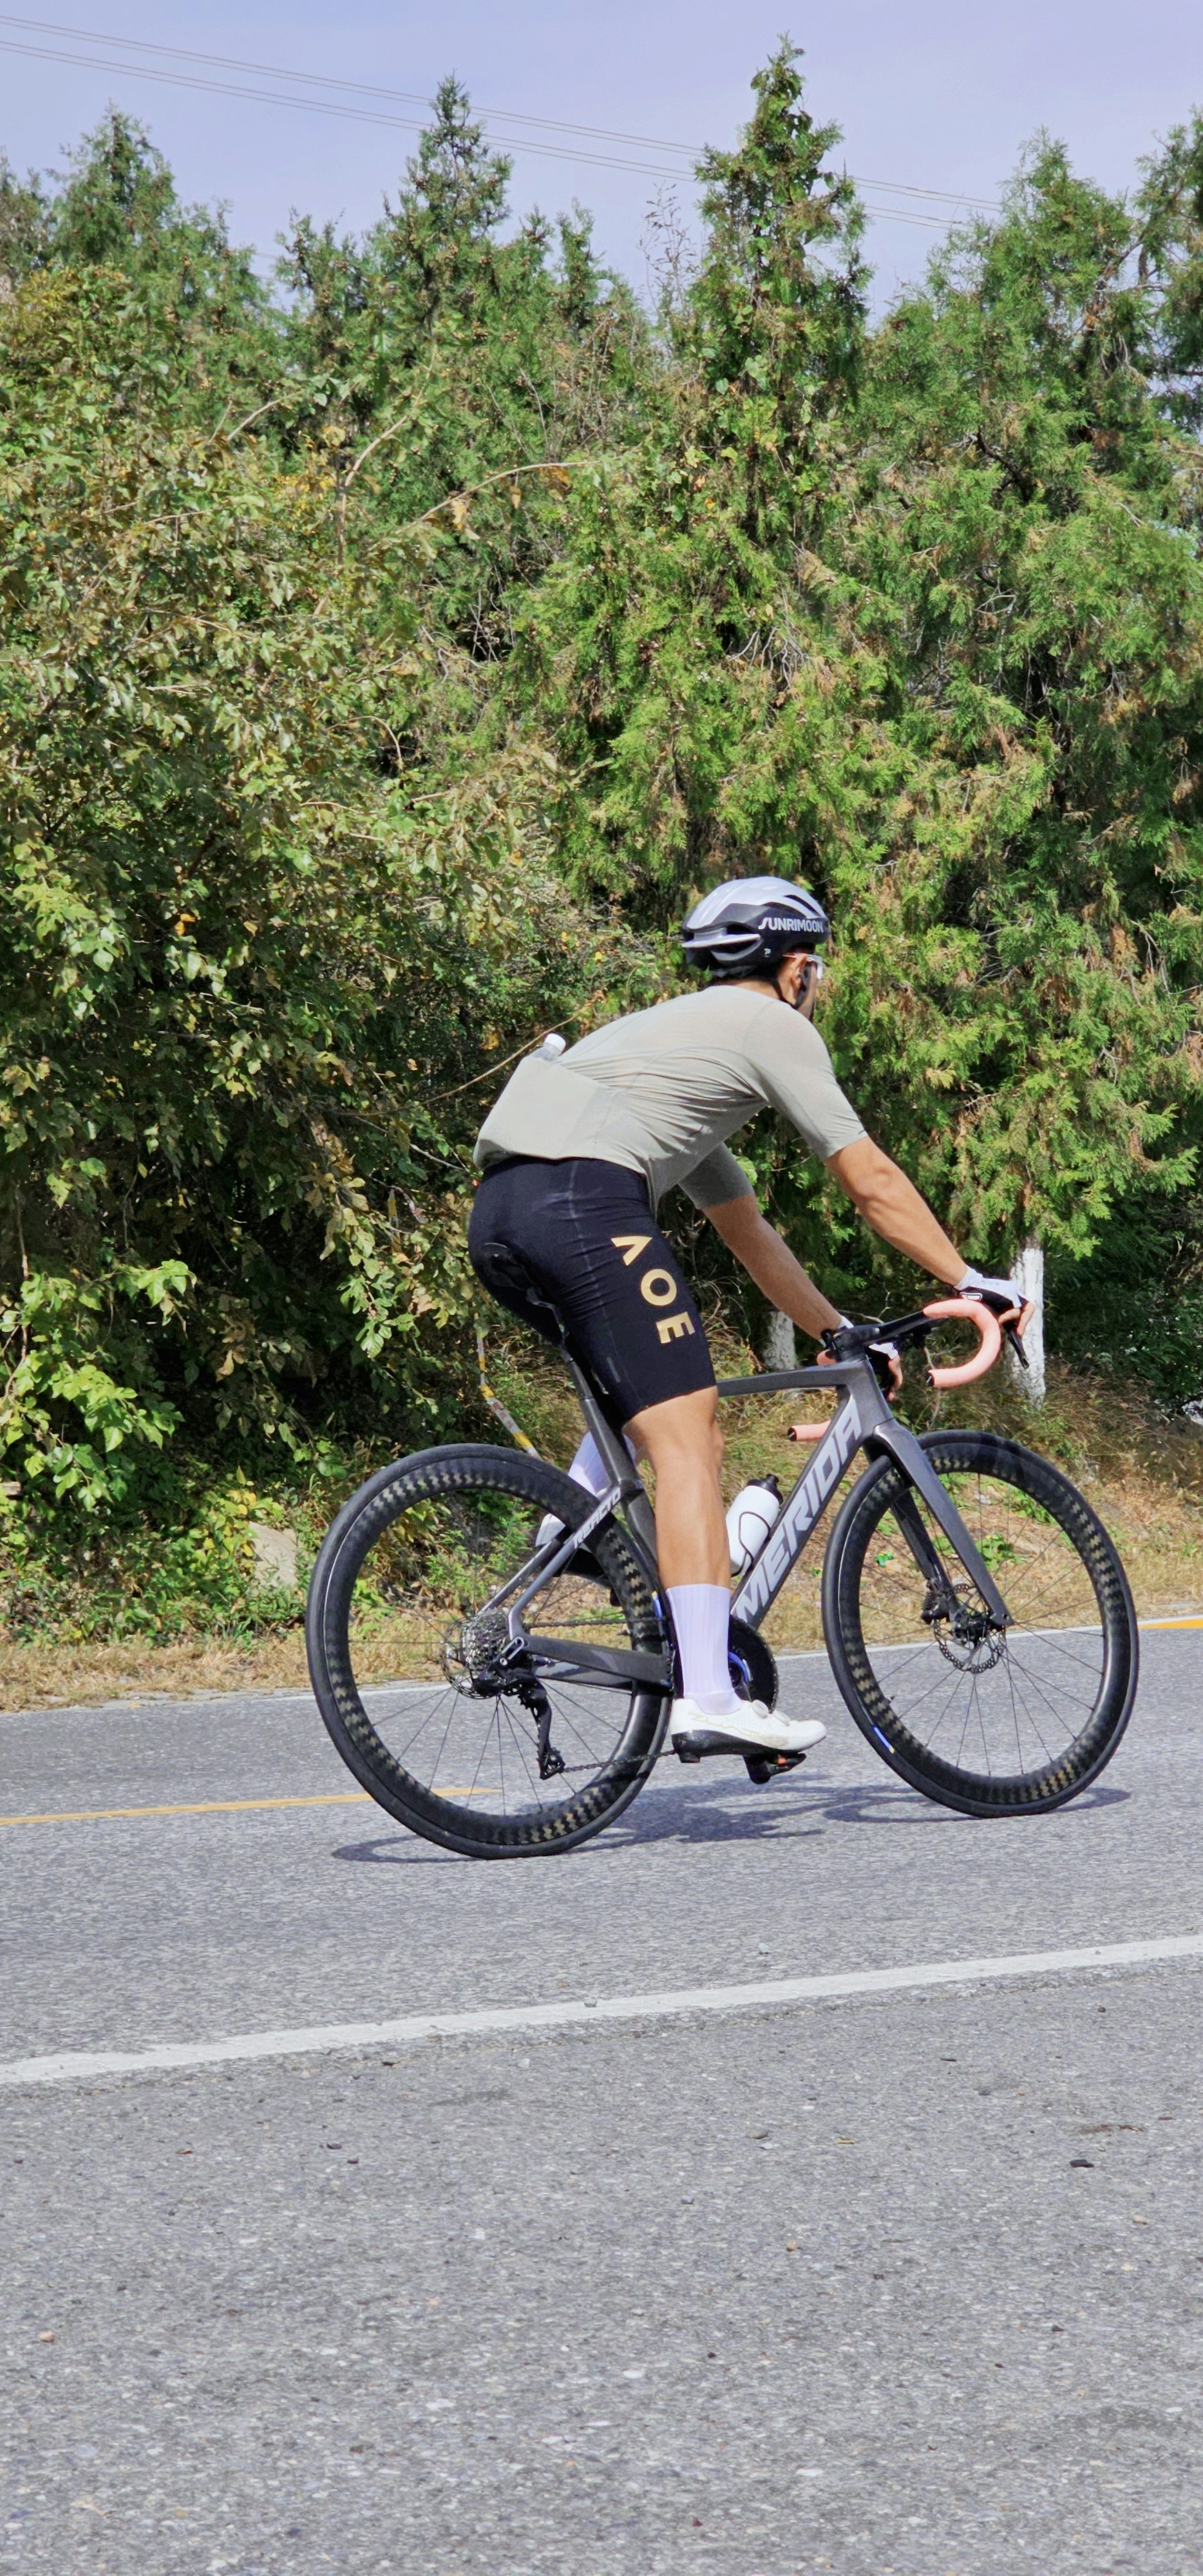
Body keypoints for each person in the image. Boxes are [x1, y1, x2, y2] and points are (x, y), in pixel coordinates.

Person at [468, 876, 1023, 1761]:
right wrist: (970, 1277)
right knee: (694, 1440)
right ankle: (712, 1698)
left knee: (646, 1397)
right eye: (820, 969)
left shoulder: (679, 1060)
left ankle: (569, 1530)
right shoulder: (769, 1028)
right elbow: (868, 1177)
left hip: (502, 1214)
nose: (820, 987)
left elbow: (747, 1233)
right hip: (584, 1199)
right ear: (795, 967)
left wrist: (837, 1328)